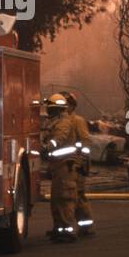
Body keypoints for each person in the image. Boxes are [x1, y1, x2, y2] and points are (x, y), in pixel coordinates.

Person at [42, 93, 81, 243]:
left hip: (66, 165)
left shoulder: (64, 122)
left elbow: (59, 138)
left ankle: (67, 230)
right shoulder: (55, 121)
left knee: (65, 198)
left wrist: (46, 147)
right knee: (57, 198)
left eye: (50, 109)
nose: (48, 111)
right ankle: (59, 228)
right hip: (58, 165)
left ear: (57, 109)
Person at [62, 90, 95, 236]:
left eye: (65, 105)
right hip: (64, 165)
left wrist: (81, 162)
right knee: (66, 196)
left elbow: (85, 142)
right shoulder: (60, 121)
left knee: (78, 196)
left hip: (76, 165)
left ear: (71, 106)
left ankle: (85, 226)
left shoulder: (77, 121)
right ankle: (64, 225)